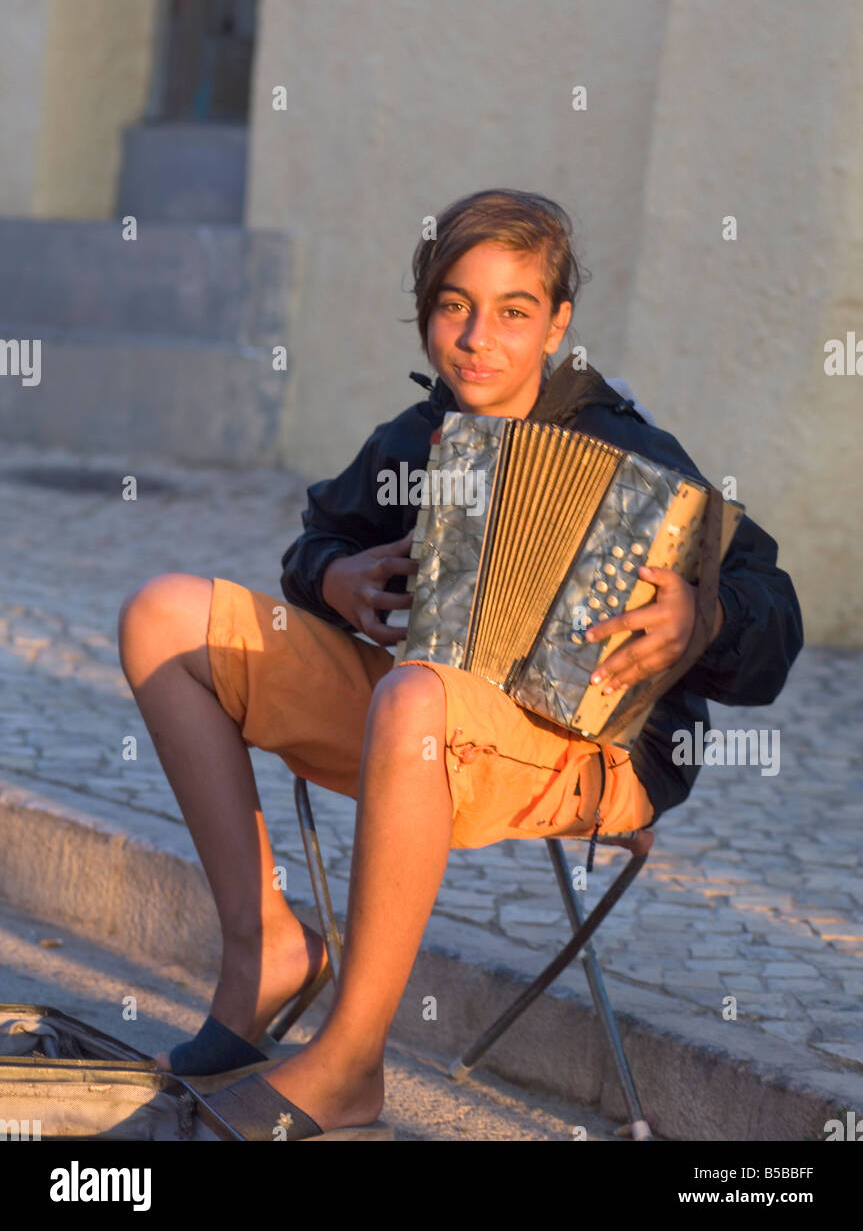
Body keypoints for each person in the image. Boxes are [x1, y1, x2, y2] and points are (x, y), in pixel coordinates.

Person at [117, 188, 803, 1139]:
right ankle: (265, 947)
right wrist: (334, 577)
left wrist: (706, 618)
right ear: (426, 313)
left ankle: (351, 1063)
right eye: (453, 306)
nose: (478, 338)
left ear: (558, 323)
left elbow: (774, 624)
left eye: (514, 311)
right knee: (163, 617)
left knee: (413, 693)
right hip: (419, 730)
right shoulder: (412, 440)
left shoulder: (633, 455)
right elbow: (317, 539)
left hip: (591, 755)